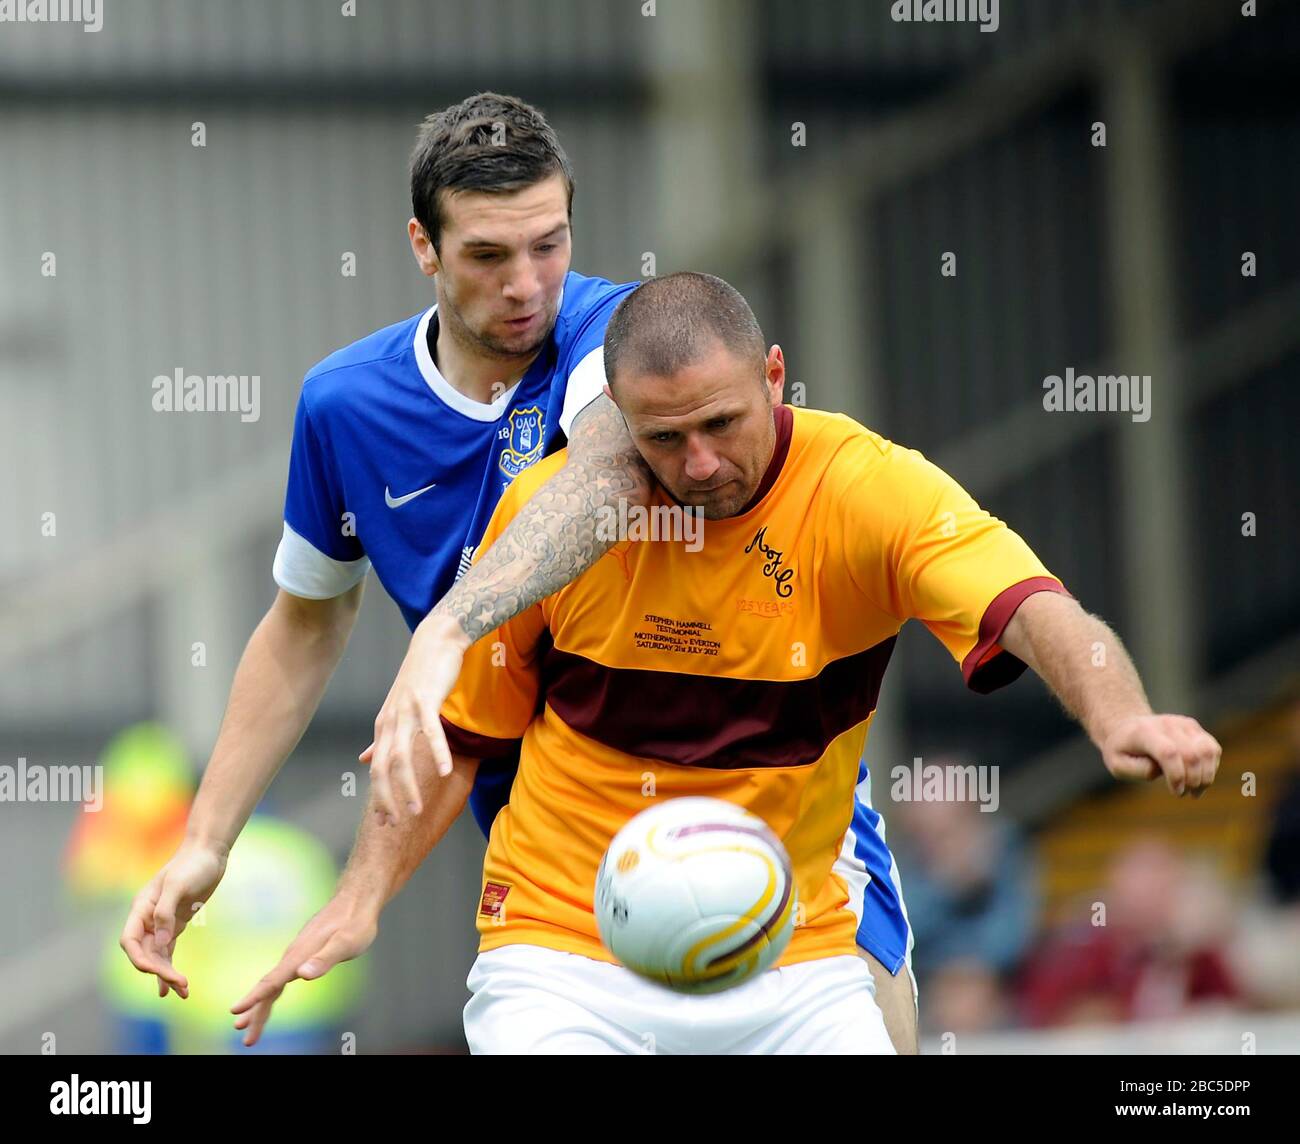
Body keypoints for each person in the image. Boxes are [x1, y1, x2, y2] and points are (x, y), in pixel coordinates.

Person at [312, 272, 1220, 1053]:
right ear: (616, 422)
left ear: (775, 376)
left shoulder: (869, 492)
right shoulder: (554, 519)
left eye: (721, 423)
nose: (700, 464)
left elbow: (1034, 611)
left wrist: (1121, 717)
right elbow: (462, 739)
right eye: (664, 439)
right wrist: (360, 900)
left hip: (796, 951)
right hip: (562, 946)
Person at [118, 92, 653, 1031]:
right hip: (548, 854)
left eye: (550, 243)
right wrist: (207, 842)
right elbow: (304, 625)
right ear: (424, 246)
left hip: (753, 793)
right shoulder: (344, 406)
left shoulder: (616, 334)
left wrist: (448, 627)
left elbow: (607, 478)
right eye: (488, 254)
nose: (528, 284)